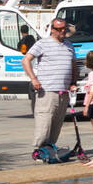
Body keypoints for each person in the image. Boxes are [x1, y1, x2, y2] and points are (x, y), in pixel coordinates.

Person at [24, 17, 79, 158]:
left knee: (57, 123)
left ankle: (49, 150)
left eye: (64, 29)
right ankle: (38, 151)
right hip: (47, 91)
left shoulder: (69, 45)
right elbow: (26, 60)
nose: (62, 31)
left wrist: (73, 82)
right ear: (52, 30)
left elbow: (73, 65)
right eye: (59, 29)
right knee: (44, 123)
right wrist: (33, 79)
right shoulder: (42, 43)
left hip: (64, 91)